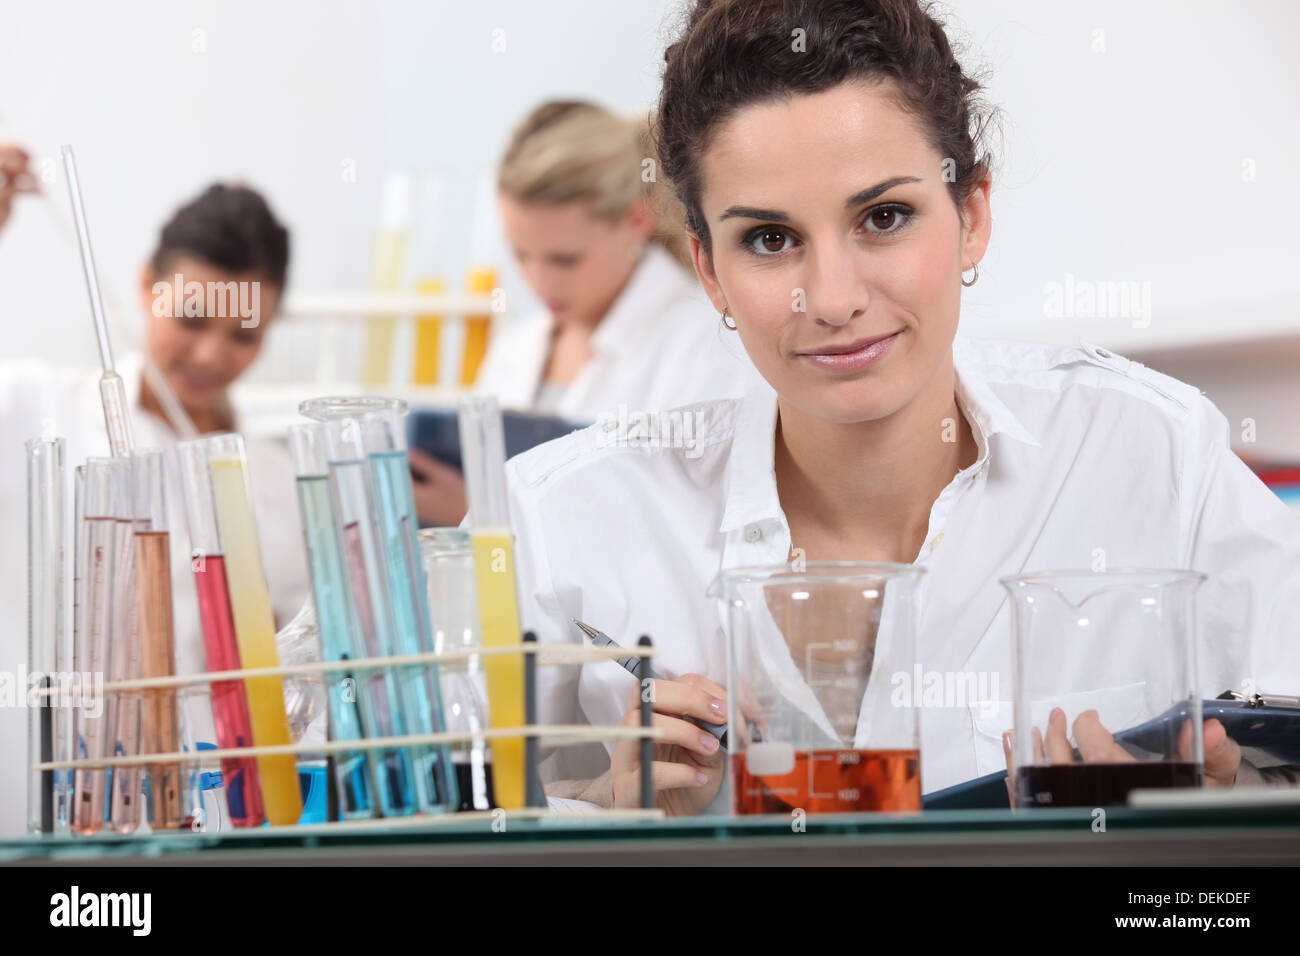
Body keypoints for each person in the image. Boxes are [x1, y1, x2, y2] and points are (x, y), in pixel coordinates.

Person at [499, 0, 1300, 815]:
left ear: (973, 216)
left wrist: (1216, 811)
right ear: (708, 269)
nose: (835, 299)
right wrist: (610, 819)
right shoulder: (559, 523)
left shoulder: (1152, 455)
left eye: (884, 218)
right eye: (770, 240)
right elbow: (450, 815)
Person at [0, 180, 309, 834]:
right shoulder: (34, 407)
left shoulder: (278, 483)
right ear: (145, 286)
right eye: (191, 319)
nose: (210, 355)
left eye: (244, 334)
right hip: (49, 812)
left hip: (224, 822)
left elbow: (297, 681)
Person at [409, 101, 761, 526]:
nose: (540, 283)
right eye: (521, 255)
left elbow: (683, 532)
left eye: (565, 260)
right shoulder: (518, 345)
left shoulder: (708, 344)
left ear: (636, 219)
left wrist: (483, 518)